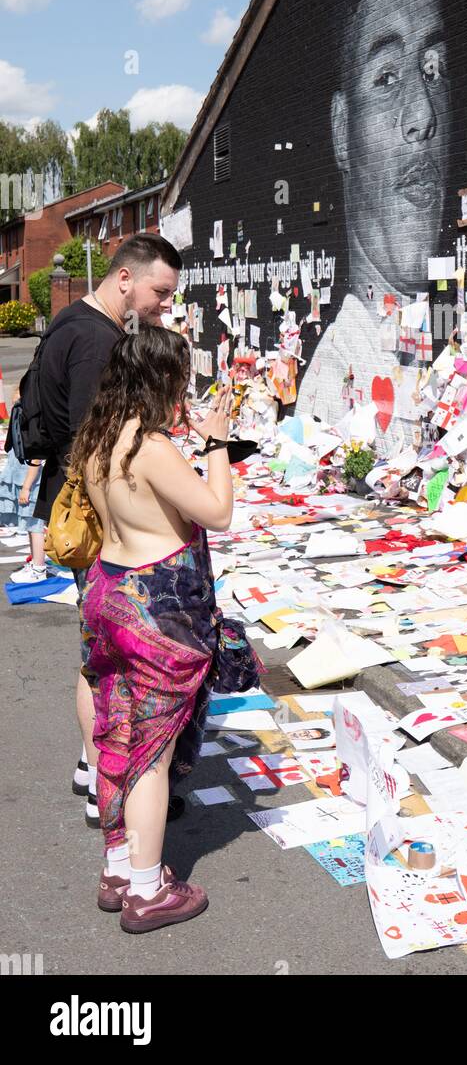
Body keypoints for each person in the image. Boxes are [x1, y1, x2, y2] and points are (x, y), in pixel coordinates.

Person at [69, 323, 250, 933]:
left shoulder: (97, 438)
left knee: (116, 734)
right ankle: (147, 890)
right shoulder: (149, 446)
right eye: (182, 377)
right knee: (151, 750)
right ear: (162, 380)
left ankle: (120, 864)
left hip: (107, 592)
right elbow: (217, 513)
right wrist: (219, 444)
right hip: (157, 605)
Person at [296, 0, 451, 448]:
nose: (422, 114)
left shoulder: (446, 348)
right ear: (342, 132)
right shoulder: (332, 378)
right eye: (387, 77)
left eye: (436, 69)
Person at [30, 232, 182, 828]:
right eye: (159, 292)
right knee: (107, 657)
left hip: (74, 509)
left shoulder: (72, 323)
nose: (163, 305)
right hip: (93, 520)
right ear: (125, 278)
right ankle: (103, 781)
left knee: (100, 647)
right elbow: (101, 443)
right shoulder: (98, 343)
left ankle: (87, 764)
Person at [0, 436, 49, 583]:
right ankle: (35, 563)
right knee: (30, 524)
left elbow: (37, 456)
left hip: (31, 477)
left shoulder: (31, 418)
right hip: (25, 475)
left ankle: (39, 568)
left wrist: (27, 486)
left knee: (35, 524)